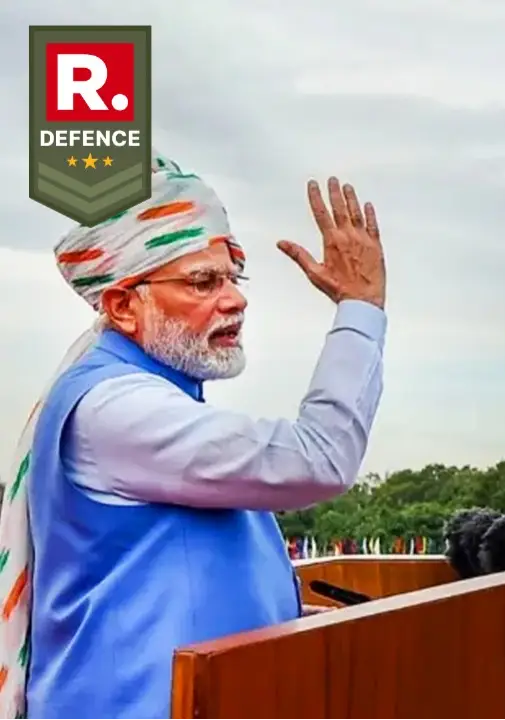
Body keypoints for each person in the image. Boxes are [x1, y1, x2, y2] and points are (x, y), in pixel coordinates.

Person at [0, 151, 388, 720]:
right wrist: (362, 308)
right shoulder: (117, 408)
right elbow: (320, 459)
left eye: (234, 276)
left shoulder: (161, 401)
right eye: (204, 281)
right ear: (123, 306)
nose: (235, 300)